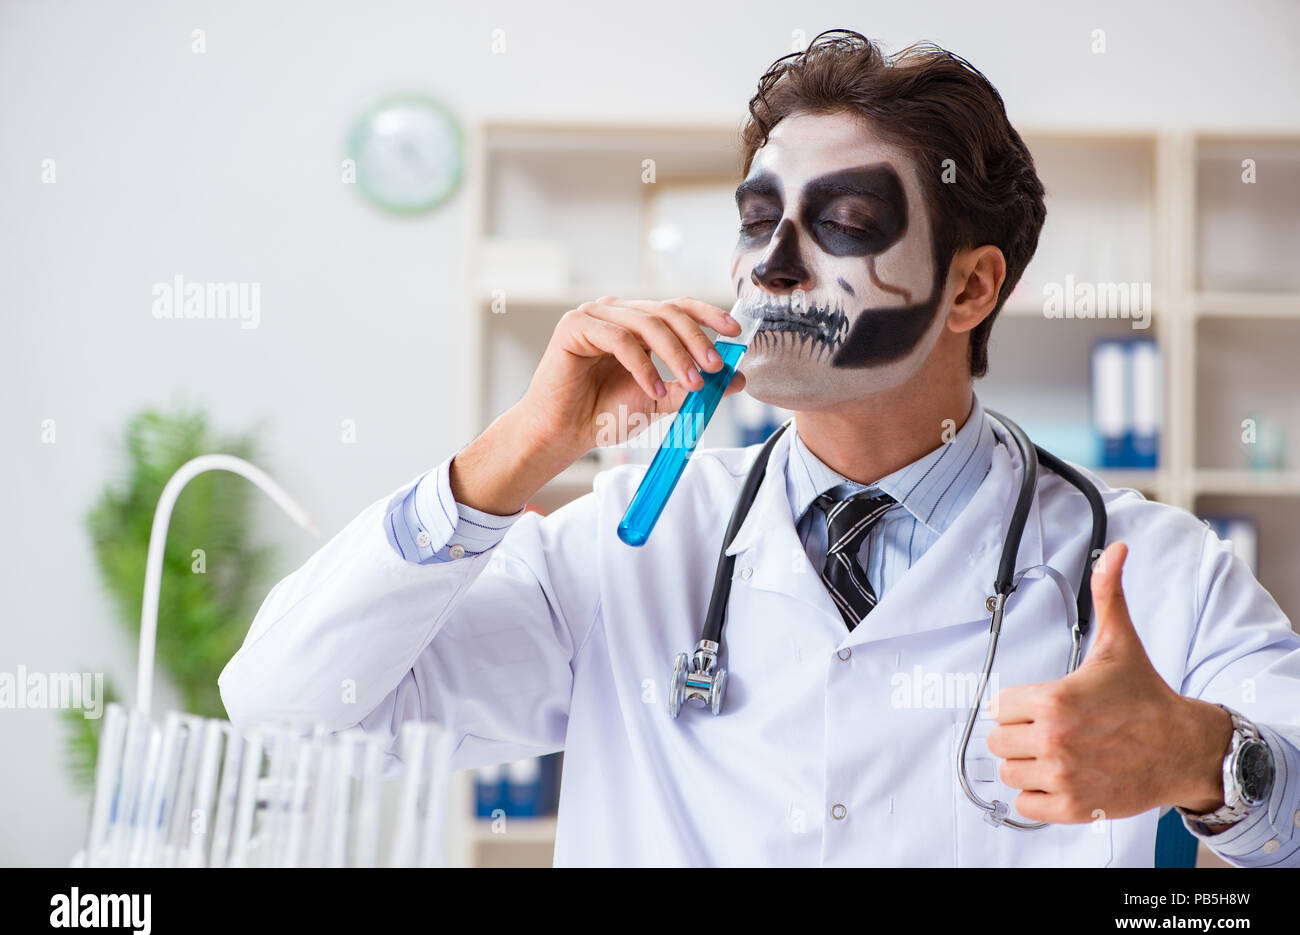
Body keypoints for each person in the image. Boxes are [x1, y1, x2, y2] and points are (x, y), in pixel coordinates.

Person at [219, 30, 1300, 866]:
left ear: (969, 286)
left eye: (842, 222)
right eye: (756, 220)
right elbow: (286, 707)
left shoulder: (1149, 569)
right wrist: (522, 445)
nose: (774, 265)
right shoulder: (628, 541)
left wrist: (1203, 761)